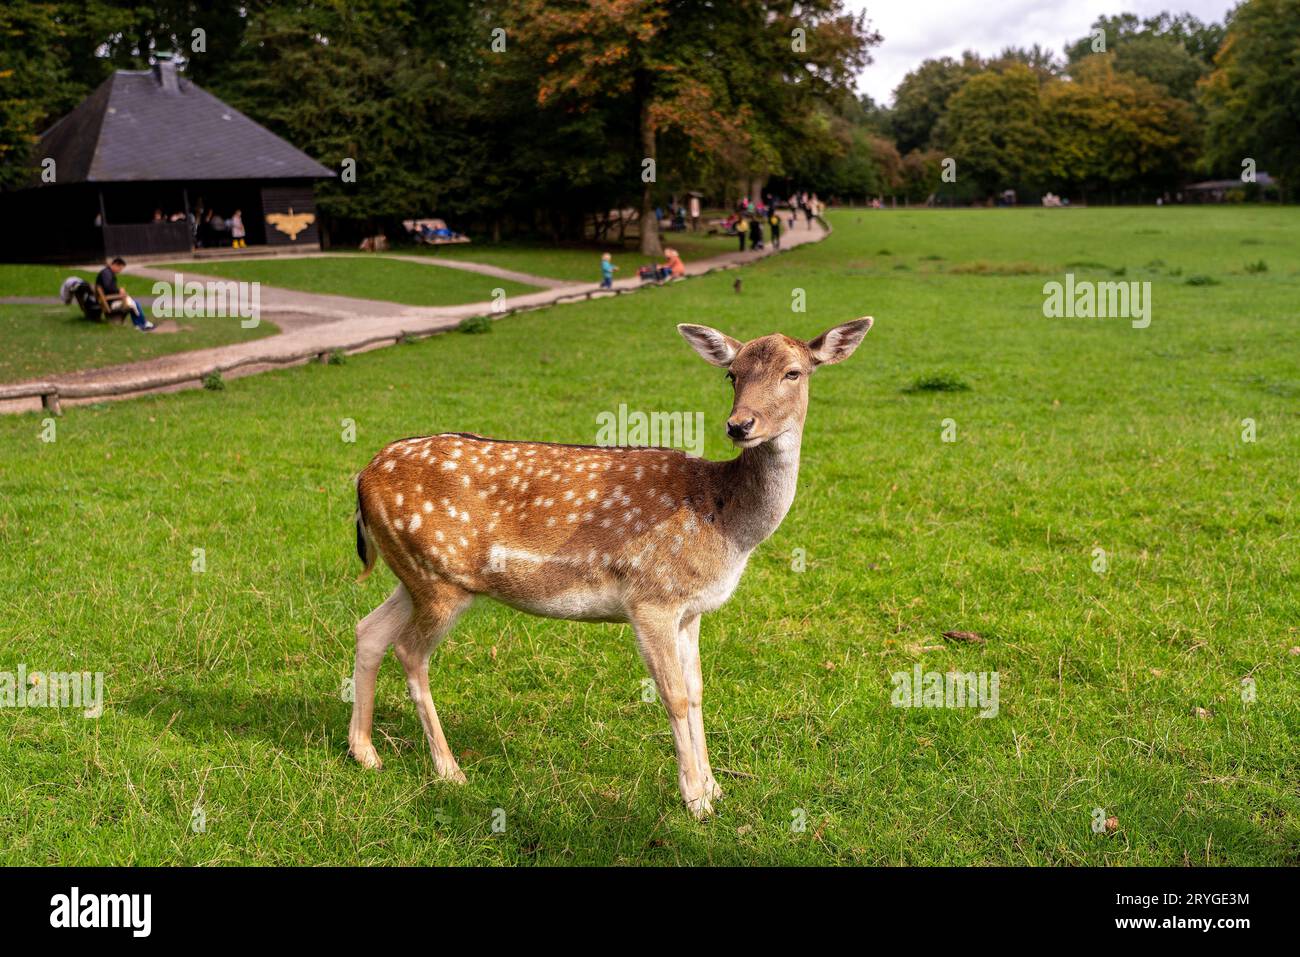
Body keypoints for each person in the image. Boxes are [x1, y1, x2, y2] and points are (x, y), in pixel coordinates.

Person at [96, 257, 154, 331]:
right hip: (109, 302)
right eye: (120, 268)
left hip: (109, 300)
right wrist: (119, 291)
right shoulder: (106, 274)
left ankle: (141, 323)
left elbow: (108, 288)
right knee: (134, 303)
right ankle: (141, 324)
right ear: (116, 265)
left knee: (134, 303)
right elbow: (108, 288)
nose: (120, 271)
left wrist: (119, 292)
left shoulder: (107, 272)